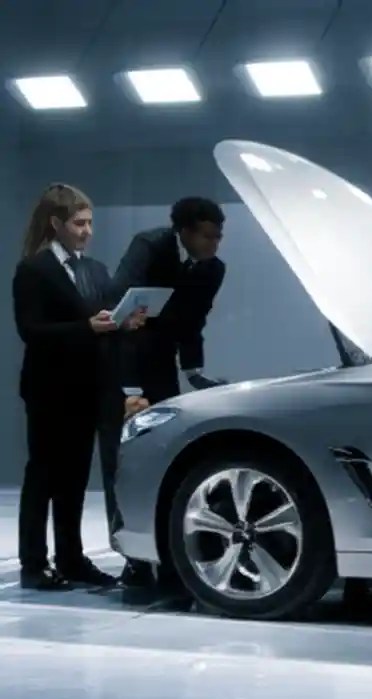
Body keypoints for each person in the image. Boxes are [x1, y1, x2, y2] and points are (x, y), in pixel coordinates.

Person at [12, 183, 144, 591]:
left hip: (89, 389)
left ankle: (71, 557)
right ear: (56, 224)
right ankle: (34, 564)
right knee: (43, 479)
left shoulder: (95, 270)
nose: (87, 231)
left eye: (90, 223)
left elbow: (99, 327)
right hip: (50, 391)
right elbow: (31, 331)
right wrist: (86, 327)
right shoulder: (35, 269)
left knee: (72, 481)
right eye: (79, 223)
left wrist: (121, 324)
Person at [108, 196, 227, 587]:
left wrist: (195, 371)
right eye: (208, 236)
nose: (215, 244)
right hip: (125, 359)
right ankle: (133, 558)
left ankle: (167, 552)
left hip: (161, 366)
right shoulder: (151, 245)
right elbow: (118, 301)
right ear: (186, 232)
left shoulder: (213, 269)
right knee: (125, 458)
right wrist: (129, 384)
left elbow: (195, 322)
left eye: (219, 237)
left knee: (163, 455)